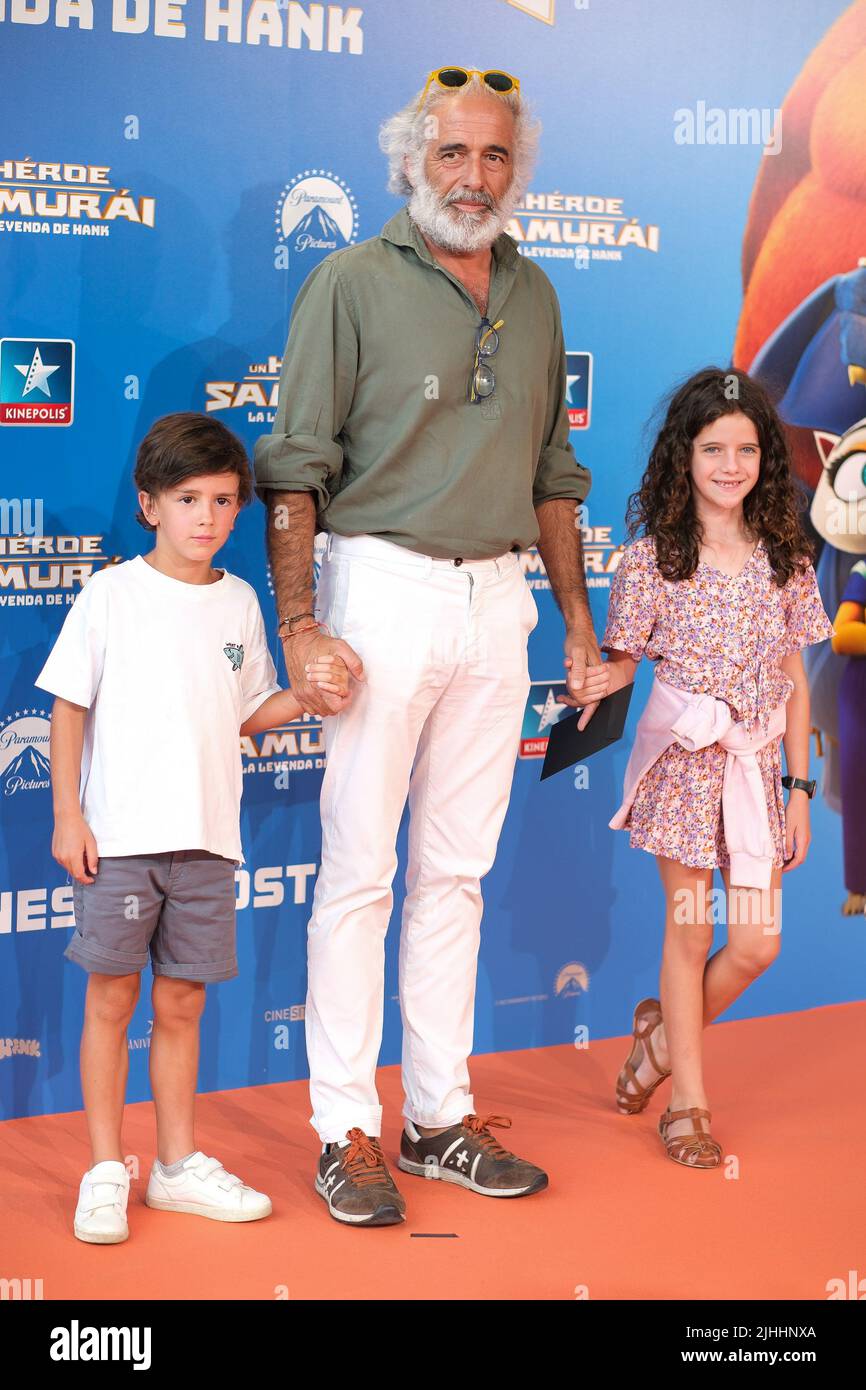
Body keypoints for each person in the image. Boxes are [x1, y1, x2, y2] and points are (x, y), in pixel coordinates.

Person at [254, 67, 595, 1225]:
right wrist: (299, 623)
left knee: (454, 874)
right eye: (452, 153)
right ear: (410, 160)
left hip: (500, 602)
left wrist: (580, 622)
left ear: (517, 169)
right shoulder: (348, 280)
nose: (473, 176)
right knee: (357, 872)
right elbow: (296, 465)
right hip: (378, 588)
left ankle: (436, 1117)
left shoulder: (538, 293)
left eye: (494, 156)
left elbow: (555, 475)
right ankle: (343, 1127)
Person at [36, 412, 348, 1243]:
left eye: (221, 501)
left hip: (210, 843)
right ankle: (107, 1170)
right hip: (123, 841)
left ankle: (176, 1167)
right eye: (186, 499)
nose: (206, 518)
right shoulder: (111, 594)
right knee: (111, 1002)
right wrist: (68, 813)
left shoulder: (241, 602)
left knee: (180, 1007)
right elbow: (68, 706)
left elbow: (251, 714)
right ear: (149, 506)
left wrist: (308, 695)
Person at [569, 368, 835, 1168]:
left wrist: (797, 791)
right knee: (690, 936)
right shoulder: (652, 560)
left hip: (756, 774)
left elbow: (792, 682)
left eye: (746, 449)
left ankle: (653, 1052)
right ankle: (687, 1103)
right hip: (683, 771)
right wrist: (592, 676)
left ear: (764, 458)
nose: (730, 464)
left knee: (756, 945)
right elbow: (623, 665)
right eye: (713, 447)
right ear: (682, 456)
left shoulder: (786, 556)